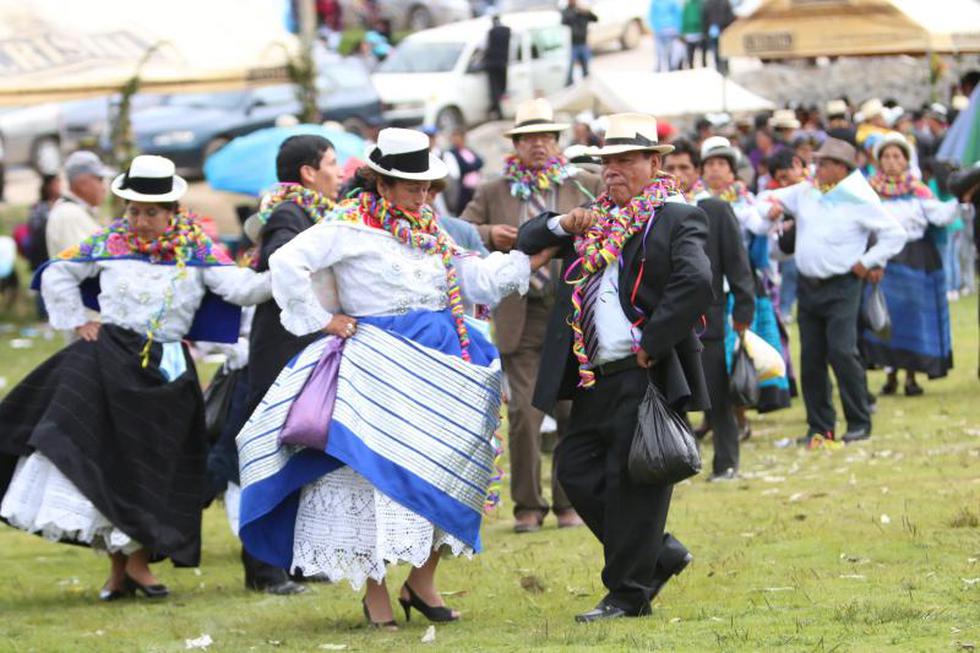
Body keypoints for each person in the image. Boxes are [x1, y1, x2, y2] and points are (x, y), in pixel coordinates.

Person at [236, 127, 555, 629]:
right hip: (379, 362)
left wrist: (531, 257)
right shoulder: (349, 223)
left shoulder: (430, 227)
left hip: (443, 361)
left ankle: (422, 582)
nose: (423, 195)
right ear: (382, 184)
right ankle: (376, 590)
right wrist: (321, 320)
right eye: (412, 186)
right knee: (375, 479)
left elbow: (472, 277)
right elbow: (285, 260)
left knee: (453, 472)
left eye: (427, 186)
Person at [0, 155, 271, 601]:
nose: (141, 221)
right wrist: (78, 321)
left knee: (157, 468)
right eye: (133, 210)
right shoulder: (108, 244)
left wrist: (284, 271)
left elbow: (242, 289)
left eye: (151, 211)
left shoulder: (197, 252)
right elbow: (57, 275)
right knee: (111, 463)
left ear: (171, 211)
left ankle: (139, 563)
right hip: (109, 363)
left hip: (166, 372)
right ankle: (122, 569)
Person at [516, 113, 712, 622]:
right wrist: (563, 222)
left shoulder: (675, 216)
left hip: (642, 370)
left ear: (654, 162)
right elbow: (527, 237)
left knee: (635, 485)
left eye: (627, 160)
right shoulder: (595, 215)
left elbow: (695, 283)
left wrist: (655, 338)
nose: (615, 170)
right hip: (591, 375)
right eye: (608, 161)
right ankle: (658, 552)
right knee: (575, 472)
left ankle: (627, 594)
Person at [462, 99, 603, 533]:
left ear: (557, 142)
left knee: (570, 413)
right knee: (524, 413)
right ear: (516, 145)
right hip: (517, 317)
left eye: (546, 137)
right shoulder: (493, 190)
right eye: (529, 138)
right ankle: (528, 505)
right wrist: (490, 234)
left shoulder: (584, 183)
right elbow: (460, 232)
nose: (538, 145)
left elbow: (614, 223)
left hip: (572, 314)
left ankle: (568, 502)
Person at [238, 134, 342, 590]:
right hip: (281, 351)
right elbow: (281, 265)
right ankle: (263, 570)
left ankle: (296, 559)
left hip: (299, 347)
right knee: (273, 452)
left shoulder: (307, 212)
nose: (339, 173)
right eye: (332, 164)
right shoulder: (288, 215)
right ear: (308, 172)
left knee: (301, 450)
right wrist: (322, 318)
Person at [765, 138, 906, 446]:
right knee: (811, 358)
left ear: (842, 168)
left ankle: (859, 422)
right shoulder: (807, 191)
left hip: (842, 285)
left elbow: (895, 233)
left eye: (825, 163)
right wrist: (772, 206)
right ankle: (820, 427)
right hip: (809, 285)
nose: (817, 168)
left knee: (842, 352)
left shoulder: (859, 197)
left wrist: (868, 261)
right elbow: (769, 197)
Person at [665, 139, 754, 480]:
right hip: (666, 319)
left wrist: (743, 308)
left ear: (697, 171)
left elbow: (737, 263)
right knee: (673, 393)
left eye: (685, 167)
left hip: (709, 317)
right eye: (670, 168)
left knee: (716, 393)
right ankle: (683, 460)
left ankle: (726, 462)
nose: (677, 174)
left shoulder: (715, 209)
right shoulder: (654, 210)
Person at [862, 132, 970, 395]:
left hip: (916, 259)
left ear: (906, 160)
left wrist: (961, 201)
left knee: (913, 317)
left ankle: (912, 375)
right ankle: (890, 374)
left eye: (896, 156)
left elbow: (941, 215)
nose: (891, 161)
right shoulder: (869, 192)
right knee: (887, 317)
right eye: (886, 156)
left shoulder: (918, 191)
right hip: (884, 259)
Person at [700, 136, 791, 418]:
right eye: (710, 164)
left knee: (740, 350)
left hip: (738, 281)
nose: (715, 170)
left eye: (721, 164)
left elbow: (759, 222)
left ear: (732, 170)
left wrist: (772, 215)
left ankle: (738, 410)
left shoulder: (743, 200)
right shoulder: (692, 201)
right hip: (706, 284)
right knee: (708, 355)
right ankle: (712, 415)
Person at [45, 150, 112, 259]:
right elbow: (83, 263)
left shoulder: (75, 211)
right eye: (100, 180)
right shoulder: (69, 214)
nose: (103, 187)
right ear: (82, 184)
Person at [26, 174, 63, 320]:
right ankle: (43, 315)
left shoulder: (63, 204)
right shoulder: (39, 208)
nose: (59, 187)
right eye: (56, 184)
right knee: (42, 283)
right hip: (41, 252)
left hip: (55, 251)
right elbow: (35, 228)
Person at [446, 128, 484, 216]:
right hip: (463, 189)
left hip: (475, 186)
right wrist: (474, 165)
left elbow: (481, 161)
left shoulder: (468, 150)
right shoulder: (452, 153)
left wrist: (473, 166)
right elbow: (463, 167)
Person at [562, 0, 598, 86]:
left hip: (583, 43)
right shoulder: (567, 11)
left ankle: (587, 85)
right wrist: (577, 12)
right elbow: (564, 21)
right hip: (573, 44)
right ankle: (569, 85)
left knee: (586, 68)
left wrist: (587, 11)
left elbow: (595, 19)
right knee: (570, 68)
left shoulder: (584, 12)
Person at [485, 13, 511, 120]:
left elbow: (489, 48)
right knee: (501, 88)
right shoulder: (507, 30)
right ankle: (496, 109)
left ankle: (498, 111)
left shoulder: (492, 32)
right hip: (503, 63)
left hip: (493, 65)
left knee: (495, 90)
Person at [649, 0, 682, 73]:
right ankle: (670, 67)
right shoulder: (673, 2)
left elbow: (652, 15)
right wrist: (678, 28)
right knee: (669, 51)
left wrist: (655, 27)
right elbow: (678, 14)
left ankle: (660, 66)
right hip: (669, 29)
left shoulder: (655, 2)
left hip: (662, 29)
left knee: (661, 51)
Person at [701, 0, 734, 73]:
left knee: (717, 50)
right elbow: (730, 16)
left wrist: (706, 30)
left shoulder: (708, 3)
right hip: (723, 30)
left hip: (716, 30)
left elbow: (704, 18)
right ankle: (724, 68)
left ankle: (720, 68)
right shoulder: (725, 2)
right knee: (723, 50)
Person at [680, 0, 704, 69]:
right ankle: (701, 68)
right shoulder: (701, 4)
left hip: (690, 34)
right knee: (701, 54)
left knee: (691, 54)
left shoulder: (687, 5)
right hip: (699, 33)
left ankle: (691, 68)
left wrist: (683, 32)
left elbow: (684, 19)